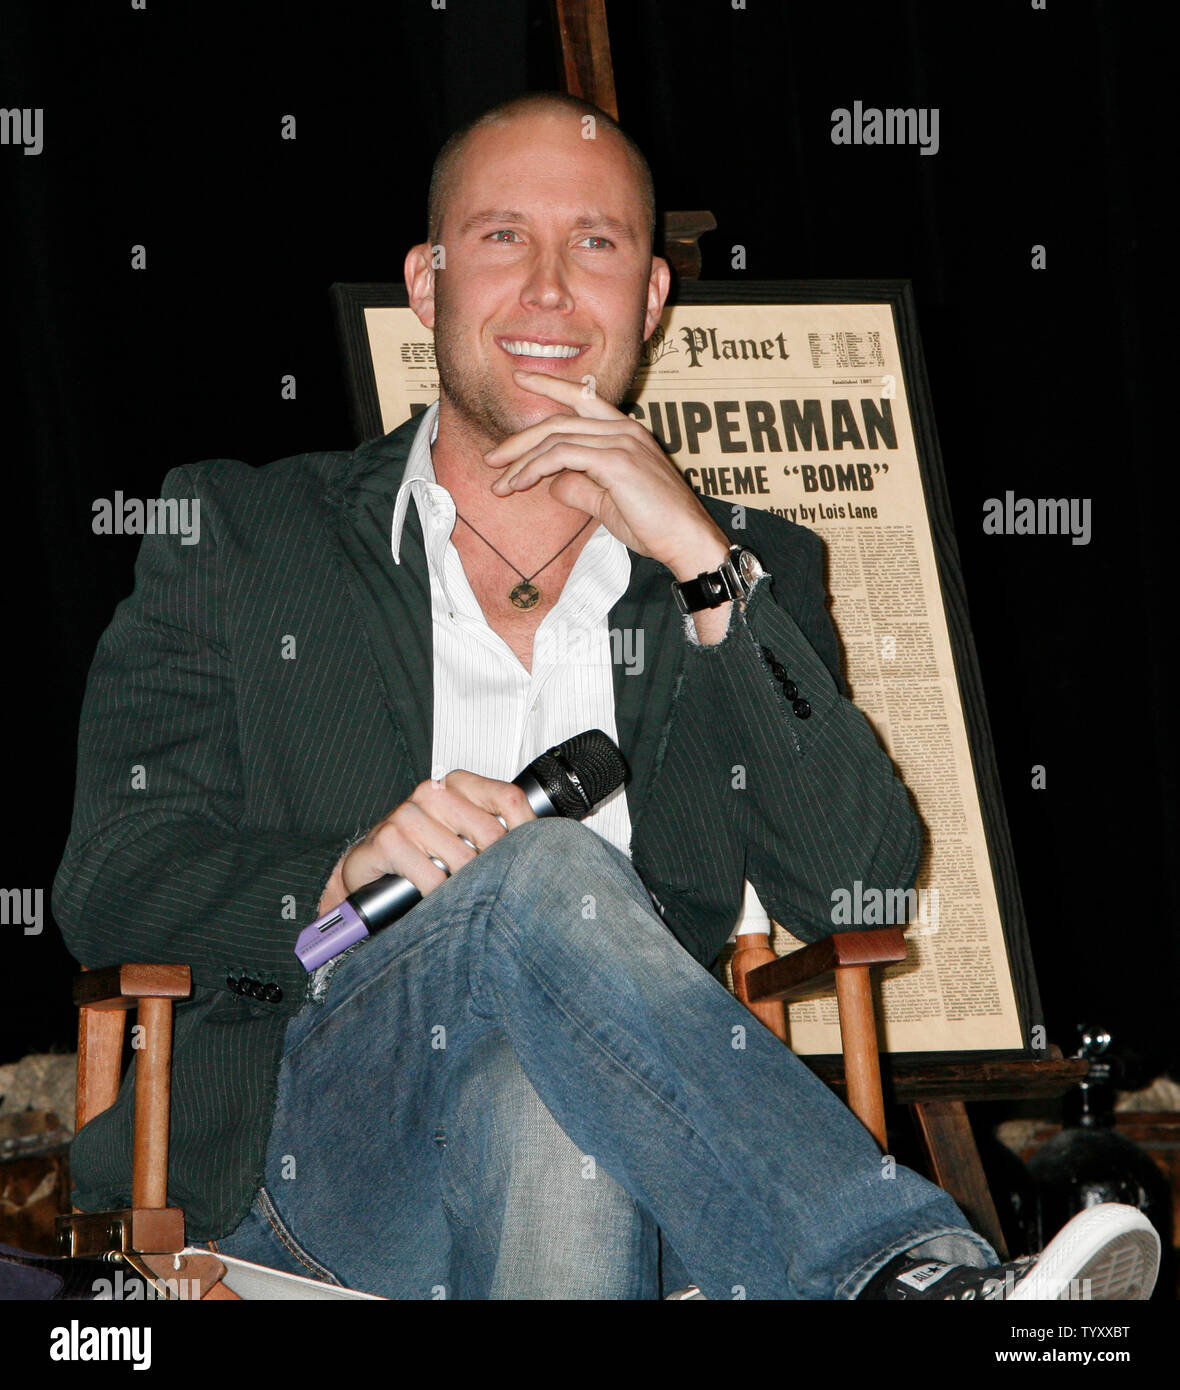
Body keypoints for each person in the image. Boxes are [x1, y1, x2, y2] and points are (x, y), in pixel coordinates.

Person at [53, 93, 1159, 1302]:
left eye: (595, 244)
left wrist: (704, 567)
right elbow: (111, 876)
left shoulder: (747, 563)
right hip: (311, 1161)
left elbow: (859, 883)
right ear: (424, 286)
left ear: (649, 299)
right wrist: (333, 872)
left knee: (548, 1114)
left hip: (641, 1174)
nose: (546, 289)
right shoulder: (241, 534)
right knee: (540, 867)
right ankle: (902, 1278)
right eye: (498, 238)